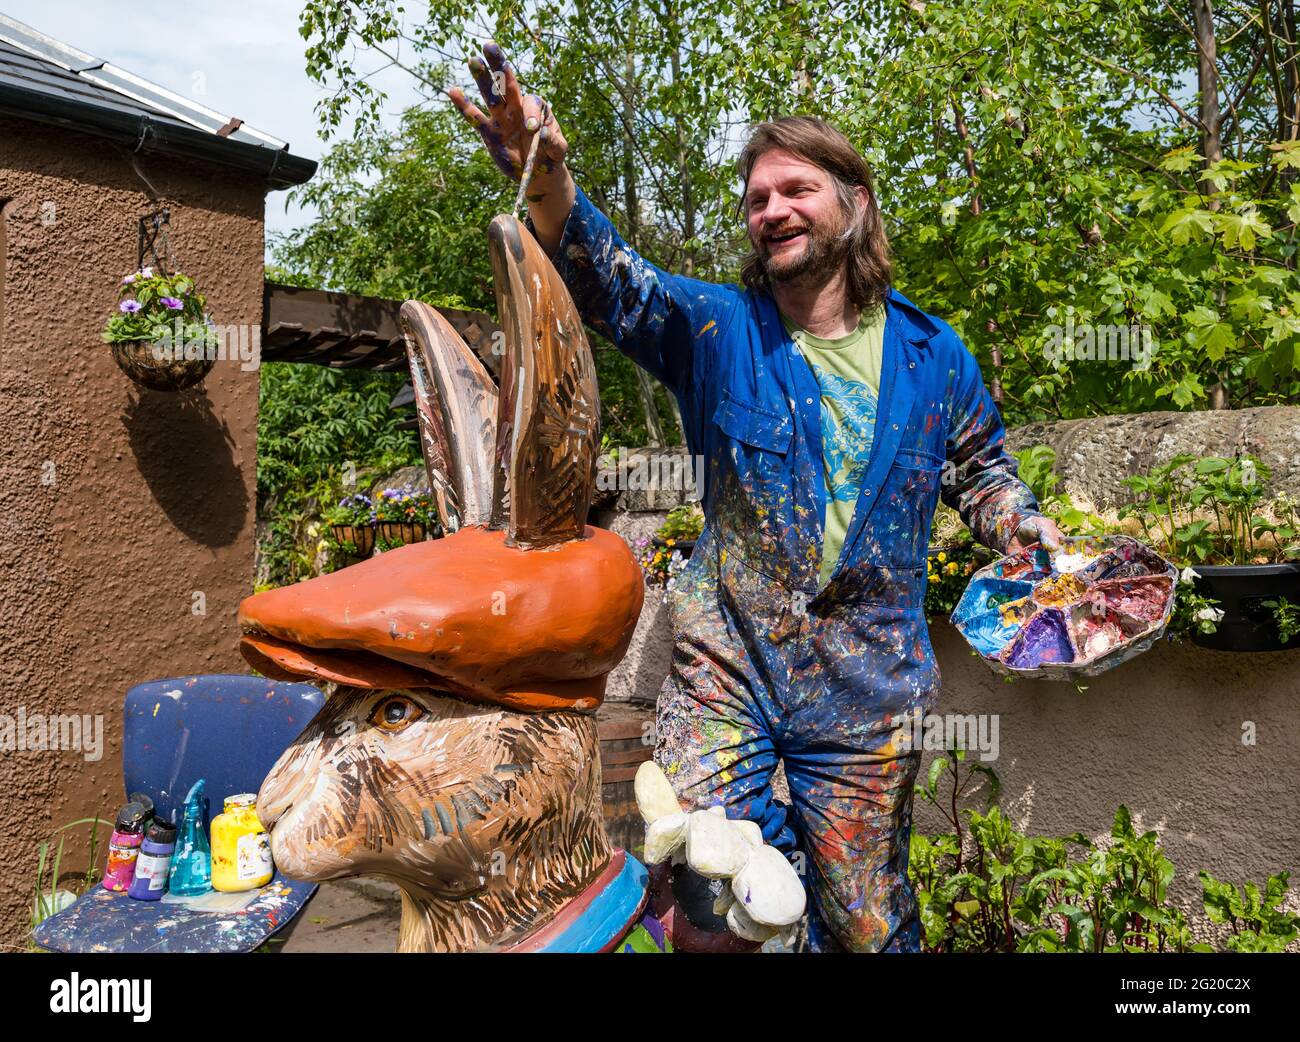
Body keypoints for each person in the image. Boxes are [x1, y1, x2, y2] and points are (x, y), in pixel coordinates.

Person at [450, 41, 1062, 952]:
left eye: (795, 190)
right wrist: (546, 172)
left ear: (854, 203)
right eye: (756, 199)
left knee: (865, 921)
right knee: (712, 903)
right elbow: (607, 279)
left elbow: (982, 472)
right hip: (725, 668)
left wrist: (1023, 528)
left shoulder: (938, 359)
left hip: (869, 687)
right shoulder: (716, 329)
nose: (771, 210)